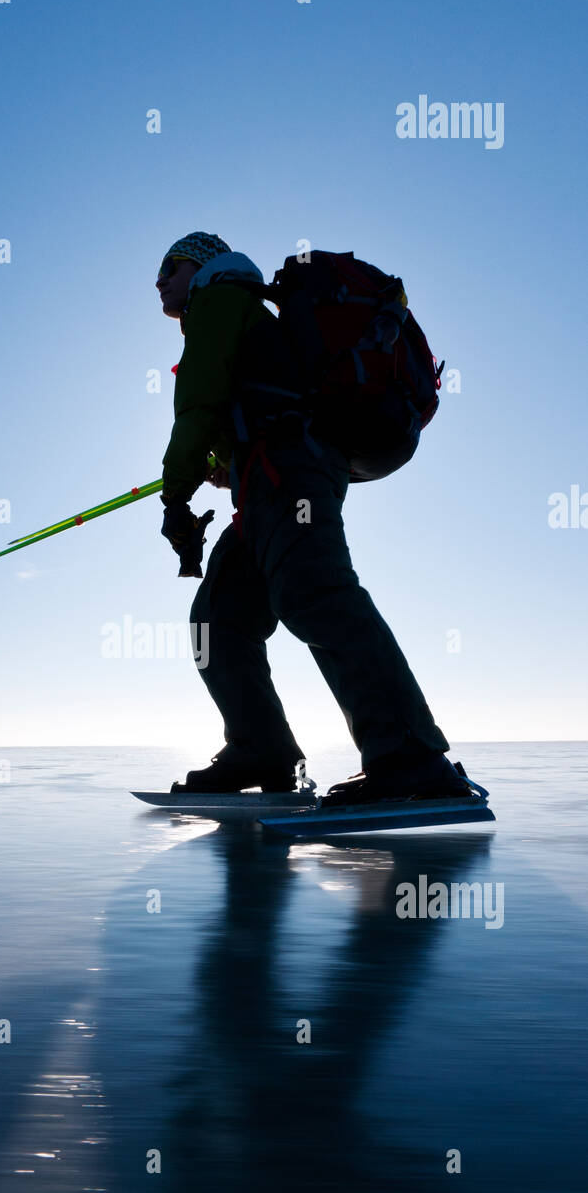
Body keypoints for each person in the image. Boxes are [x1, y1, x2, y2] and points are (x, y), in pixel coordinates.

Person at [156, 230, 474, 805]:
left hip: (289, 476)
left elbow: (198, 403)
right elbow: (245, 406)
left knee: (316, 595)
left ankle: (410, 756)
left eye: (170, 267)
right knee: (217, 622)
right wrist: (225, 466)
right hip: (264, 486)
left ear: (201, 266)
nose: (159, 282)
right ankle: (261, 749)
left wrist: (175, 497)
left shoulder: (220, 297)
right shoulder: (241, 316)